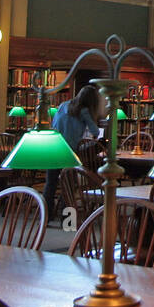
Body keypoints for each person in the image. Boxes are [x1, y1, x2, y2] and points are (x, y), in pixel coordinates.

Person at [48, 84, 102, 216]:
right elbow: (95, 131)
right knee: (69, 187)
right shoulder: (84, 111)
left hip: (54, 147)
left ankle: (46, 216)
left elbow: (54, 123)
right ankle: (67, 221)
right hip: (70, 152)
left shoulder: (63, 105)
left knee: (50, 184)